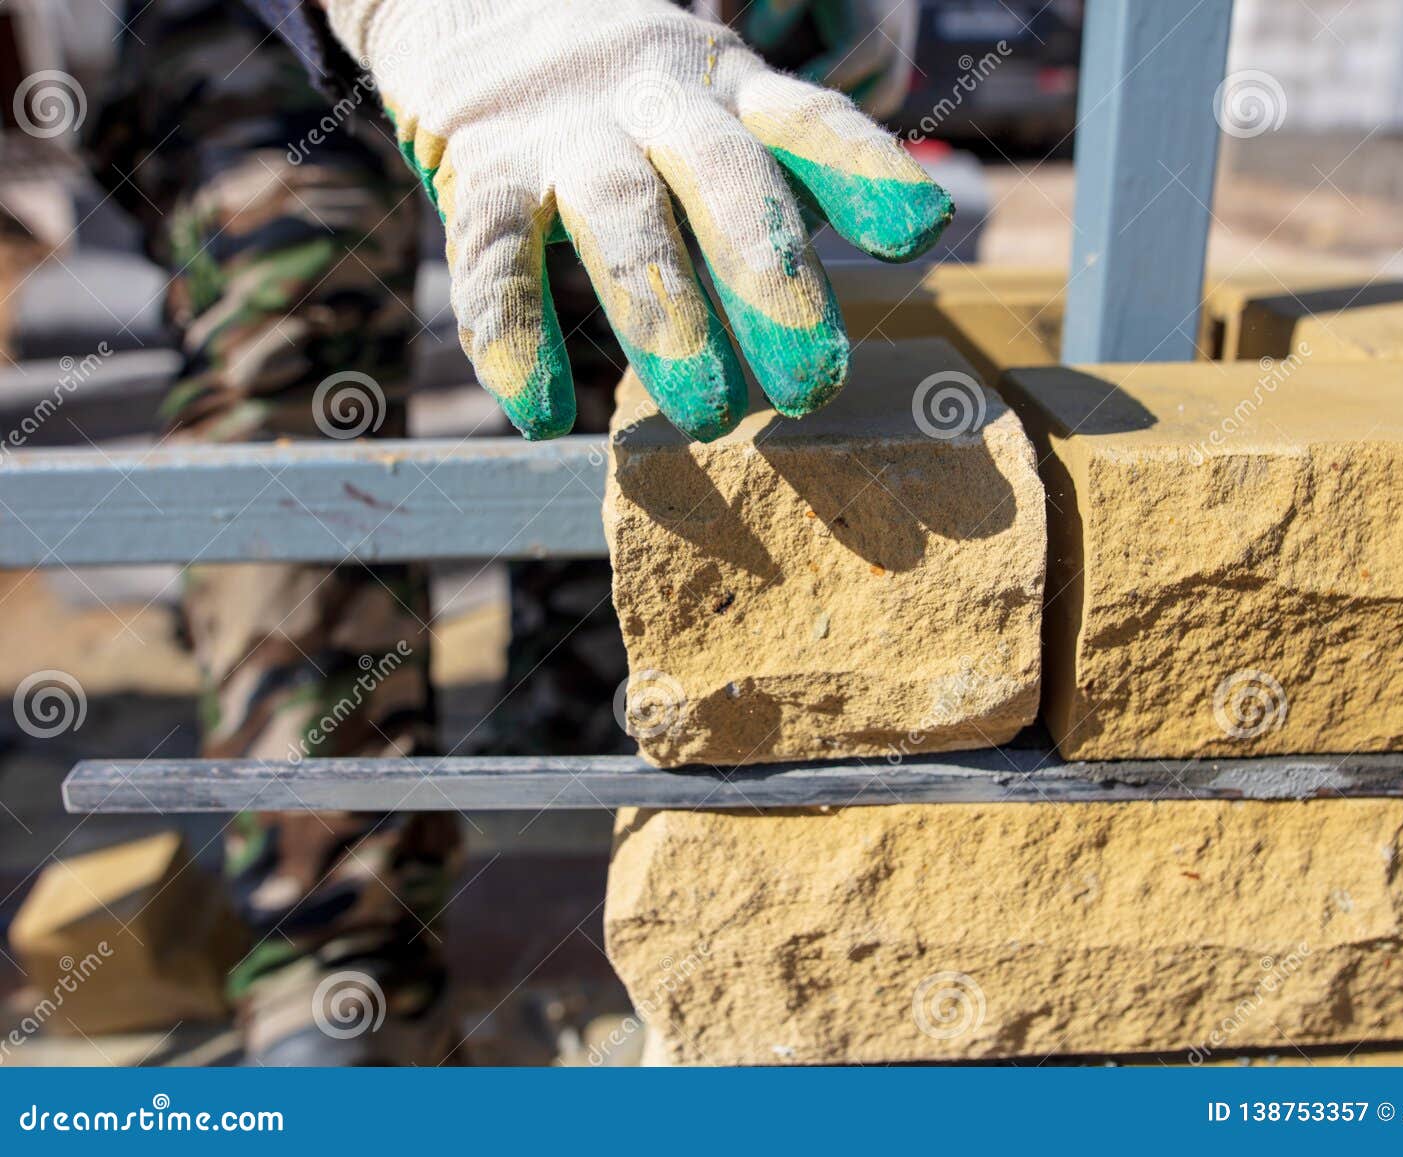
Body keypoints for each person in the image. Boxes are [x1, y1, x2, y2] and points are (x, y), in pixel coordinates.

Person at [90, 0, 946, 1065]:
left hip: (621, 21)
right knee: (289, 338)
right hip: (267, 42)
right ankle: (338, 960)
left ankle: (611, 773)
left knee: (629, 289)